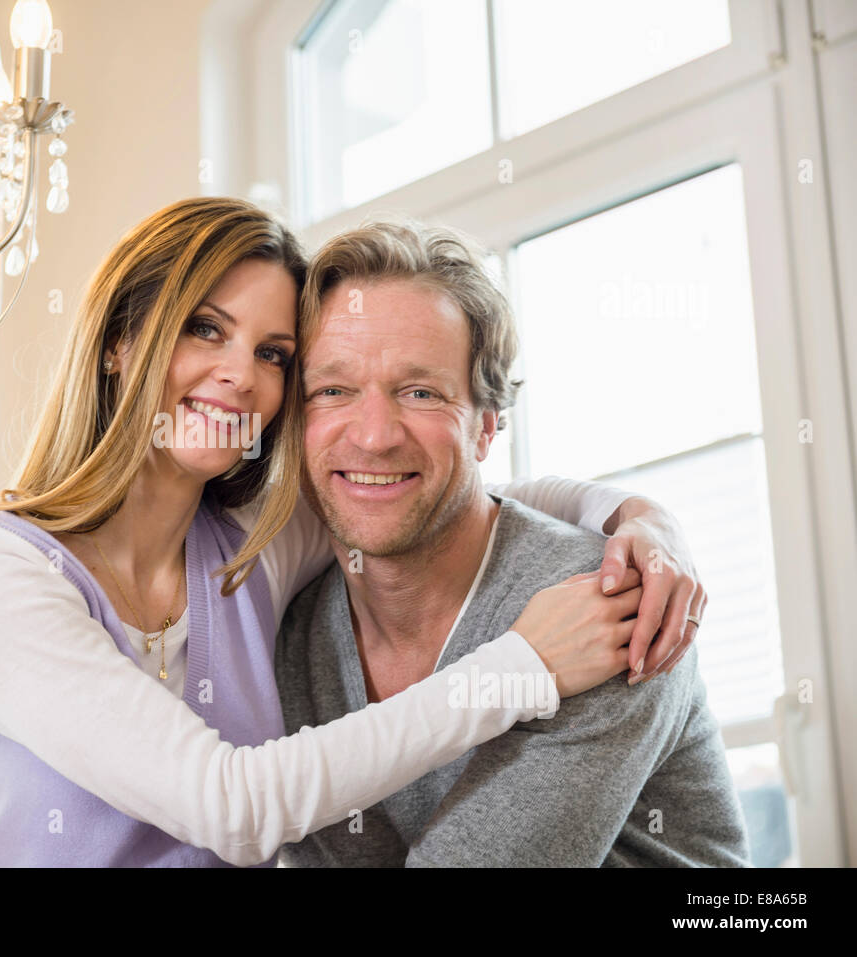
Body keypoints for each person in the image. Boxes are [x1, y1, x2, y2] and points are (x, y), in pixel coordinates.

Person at [0, 197, 705, 867]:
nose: (241, 373)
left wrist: (640, 520)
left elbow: (429, 489)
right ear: (119, 343)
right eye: (205, 327)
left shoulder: (256, 549)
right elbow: (232, 807)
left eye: (274, 353)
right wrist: (520, 667)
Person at [274, 221, 749, 866]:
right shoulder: (293, 639)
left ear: (485, 428)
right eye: (333, 391)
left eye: (420, 393)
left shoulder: (605, 605)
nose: (375, 435)